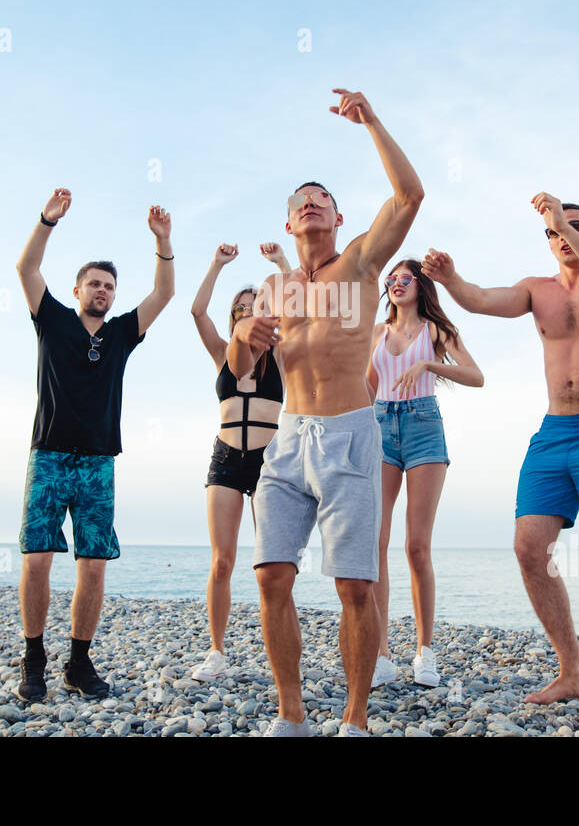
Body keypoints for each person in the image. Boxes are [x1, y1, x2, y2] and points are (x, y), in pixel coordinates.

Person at [228, 88, 424, 736]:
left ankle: (356, 716)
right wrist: (242, 341)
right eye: (299, 202)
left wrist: (371, 121)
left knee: (354, 588)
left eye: (321, 199)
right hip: (288, 438)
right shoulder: (275, 290)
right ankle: (292, 713)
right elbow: (239, 372)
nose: (310, 203)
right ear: (289, 225)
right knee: (271, 576)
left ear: (337, 218)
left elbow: (410, 196)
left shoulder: (362, 262)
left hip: (349, 433)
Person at [424, 194, 579, 731]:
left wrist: (561, 221)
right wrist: (451, 280)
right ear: (547, 242)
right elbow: (479, 300)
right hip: (553, 433)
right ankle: (572, 672)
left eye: (577, 227)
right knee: (528, 548)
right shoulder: (537, 291)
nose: (565, 236)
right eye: (556, 232)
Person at [13, 189, 174, 703]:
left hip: (99, 462)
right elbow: (25, 267)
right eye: (94, 284)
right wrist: (47, 220)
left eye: (108, 286)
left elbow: (163, 294)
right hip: (50, 456)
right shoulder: (53, 320)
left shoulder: (123, 332)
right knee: (37, 559)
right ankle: (34, 657)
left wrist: (163, 242)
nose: (101, 291)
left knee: (93, 564)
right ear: (77, 288)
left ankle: (78, 663)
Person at [366, 258, 482, 688]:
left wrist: (430, 366)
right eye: (390, 279)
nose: (396, 284)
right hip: (379, 427)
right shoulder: (377, 332)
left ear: (421, 285)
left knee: (417, 545)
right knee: (376, 542)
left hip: (423, 426)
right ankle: (380, 655)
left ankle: (424, 651)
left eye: (405, 278)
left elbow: (476, 376)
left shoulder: (436, 330)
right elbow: (364, 386)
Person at [189, 241, 292, 682]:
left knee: (273, 562)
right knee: (222, 560)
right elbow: (197, 312)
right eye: (241, 311)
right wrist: (215, 264)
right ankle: (216, 650)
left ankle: (282, 652)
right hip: (227, 459)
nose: (249, 316)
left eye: (256, 309)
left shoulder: (282, 357)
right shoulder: (222, 355)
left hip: (270, 462)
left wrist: (283, 264)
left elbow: (298, 304)